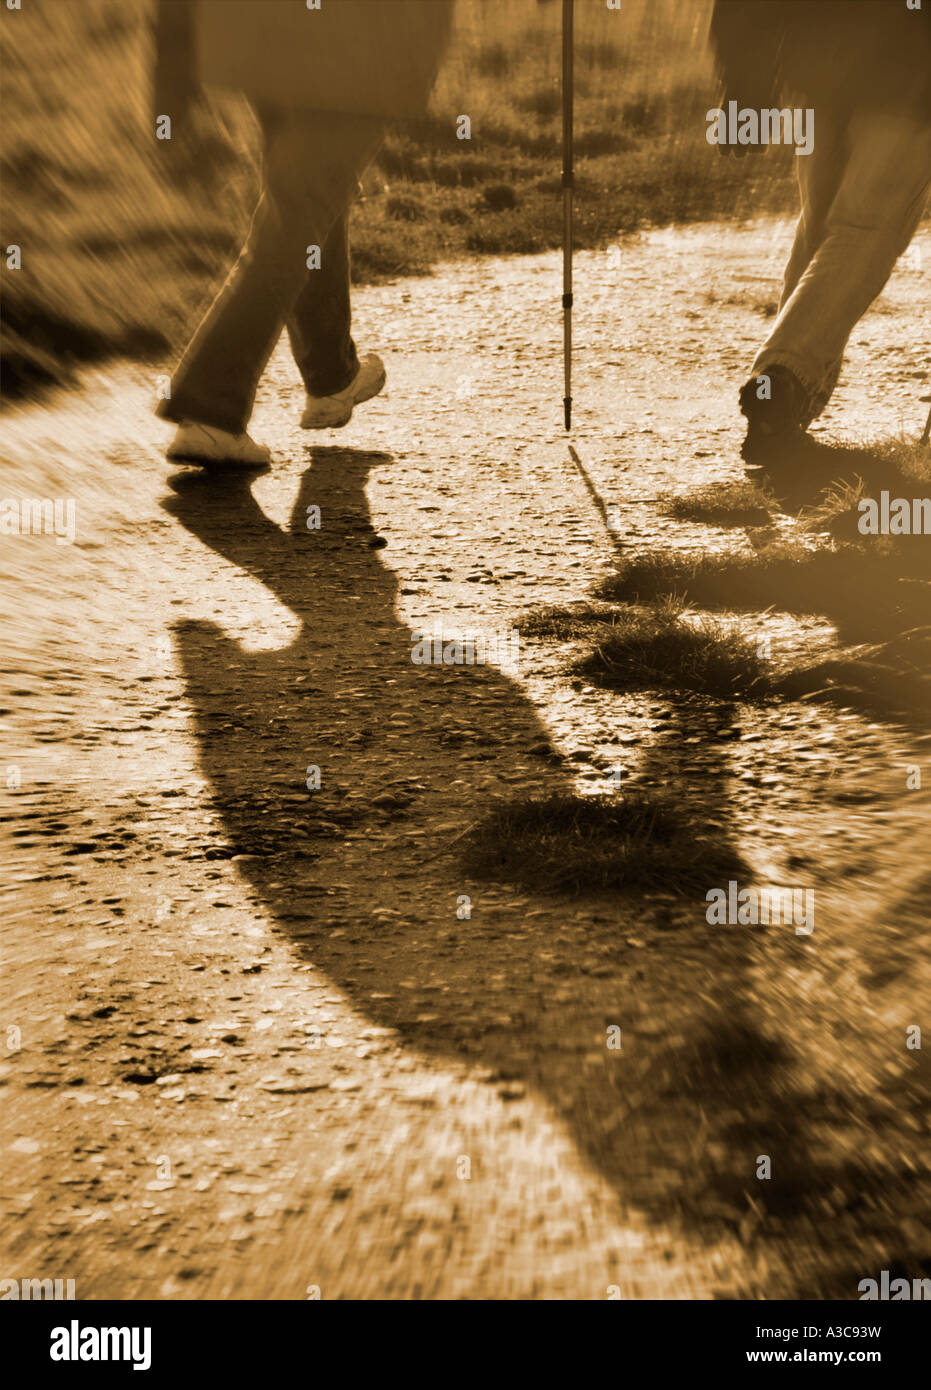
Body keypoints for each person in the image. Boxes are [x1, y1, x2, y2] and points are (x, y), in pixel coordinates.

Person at [153, 0, 453, 467]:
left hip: (262, 34)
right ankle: (210, 409)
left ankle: (331, 378)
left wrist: (171, 79)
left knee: (306, 198)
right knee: (297, 212)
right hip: (365, 42)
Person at [710, 0, 931, 473]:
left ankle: (776, 417)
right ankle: (783, 380)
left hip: (814, 65)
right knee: (864, 228)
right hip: (908, 69)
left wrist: (743, 84)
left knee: (822, 229)